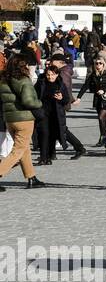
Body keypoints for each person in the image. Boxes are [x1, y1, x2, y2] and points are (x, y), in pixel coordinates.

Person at [0, 50, 47, 189]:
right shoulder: (23, 80)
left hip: (10, 119)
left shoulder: (3, 79)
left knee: (24, 149)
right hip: (23, 119)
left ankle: (31, 177)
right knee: (18, 151)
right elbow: (28, 101)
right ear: (22, 66)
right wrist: (39, 103)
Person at [35, 62, 71, 165]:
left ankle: (49, 156)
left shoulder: (61, 84)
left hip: (56, 115)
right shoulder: (41, 83)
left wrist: (61, 98)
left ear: (57, 75)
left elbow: (66, 100)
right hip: (43, 113)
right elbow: (35, 96)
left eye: (52, 75)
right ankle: (43, 157)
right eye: (48, 75)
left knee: (52, 136)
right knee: (44, 134)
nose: (50, 77)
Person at [80, 56, 106, 146]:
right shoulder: (93, 75)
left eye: (100, 63)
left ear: (104, 64)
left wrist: (105, 90)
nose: (98, 65)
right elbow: (85, 85)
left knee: (103, 117)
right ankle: (103, 138)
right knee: (101, 120)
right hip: (99, 100)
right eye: (96, 63)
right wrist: (78, 97)